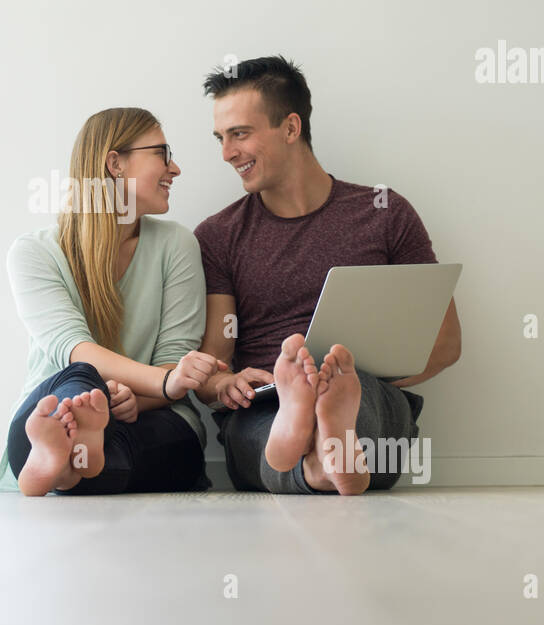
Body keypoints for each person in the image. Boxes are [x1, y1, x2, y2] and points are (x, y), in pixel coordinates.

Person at [190, 55, 462, 495]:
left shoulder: (384, 214)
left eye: (240, 134)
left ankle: (325, 439)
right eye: (221, 138)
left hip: (367, 394)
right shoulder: (219, 236)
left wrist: (341, 379)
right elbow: (213, 368)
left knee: (358, 398)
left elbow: (446, 343)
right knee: (266, 423)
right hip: (268, 403)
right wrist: (225, 382)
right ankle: (322, 453)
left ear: (291, 128)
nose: (227, 153)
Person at [0, 107, 225, 496]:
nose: (176, 168)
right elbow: (75, 350)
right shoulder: (33, 253)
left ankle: (66, 469)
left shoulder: (177, 245)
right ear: (115, 163)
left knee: (161, 441)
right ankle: (71, 440)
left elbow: (174, 360)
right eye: (162, 154)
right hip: (51, 407)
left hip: (149, 415)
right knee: (80, 377)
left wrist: (137, 398)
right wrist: (149, 385)